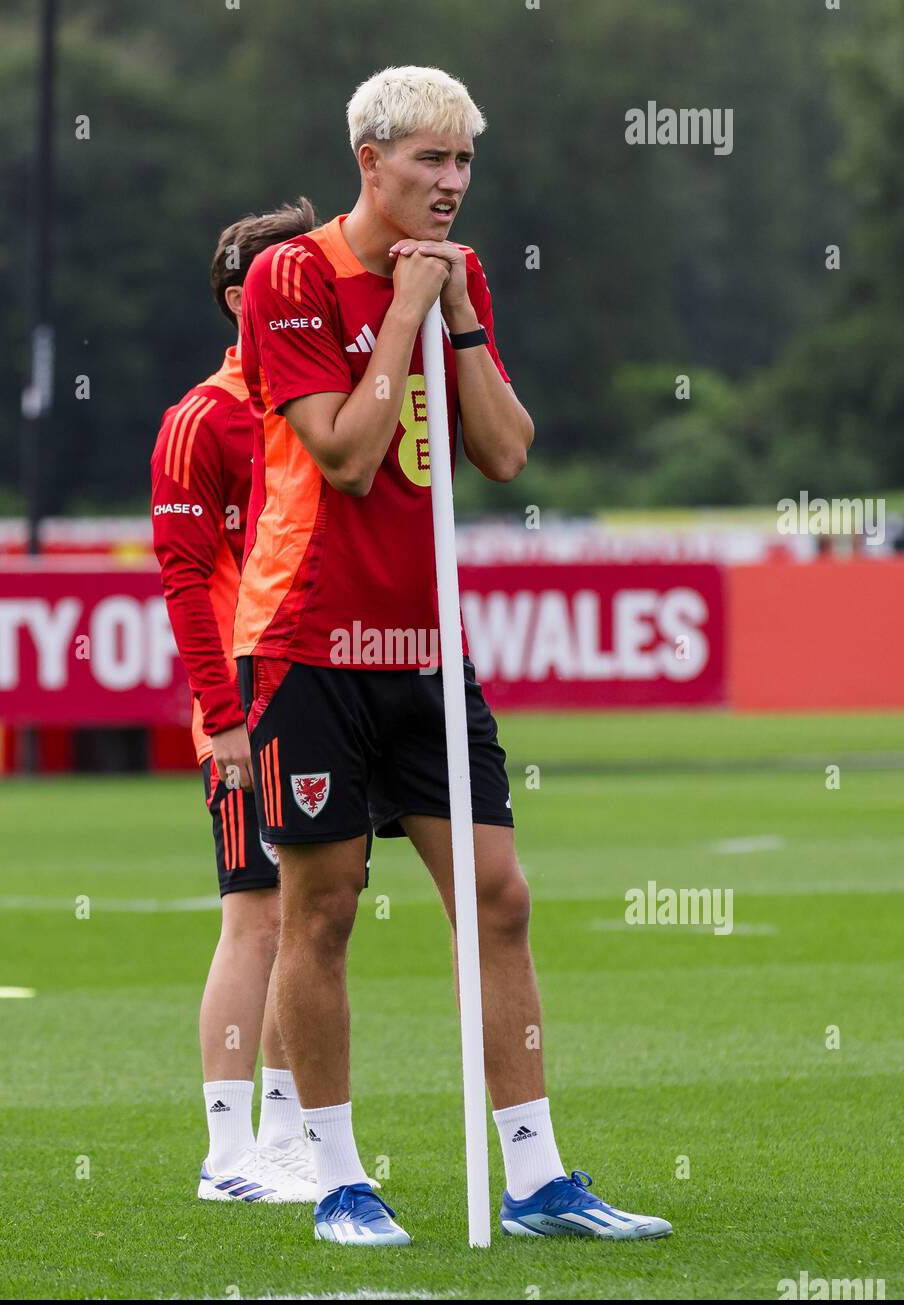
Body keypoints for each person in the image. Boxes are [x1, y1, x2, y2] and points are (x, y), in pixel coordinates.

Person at [233, 66, 673, 1244]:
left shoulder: (457, 273)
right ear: (369, 160)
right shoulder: (290, 276)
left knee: (498, 901)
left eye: (464, 162)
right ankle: (336, 1177)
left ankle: (535, 1177)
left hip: (427, 649)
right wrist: (397, 317)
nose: (451, 184)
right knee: (319, 910)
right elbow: (344, 453)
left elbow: (506, 452)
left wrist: (456, 315)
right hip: (308, 642)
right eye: (430, 160)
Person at [151, 198, 321, 1204]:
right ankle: (228, 1152)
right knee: (254, 916)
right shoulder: (199, 421)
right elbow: (182, 578)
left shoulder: (312, 408)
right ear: (237, 298)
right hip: (247, 705)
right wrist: (220, 715)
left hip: (321, 690)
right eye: (284, 273)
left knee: (311, 919)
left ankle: (291, 1137)